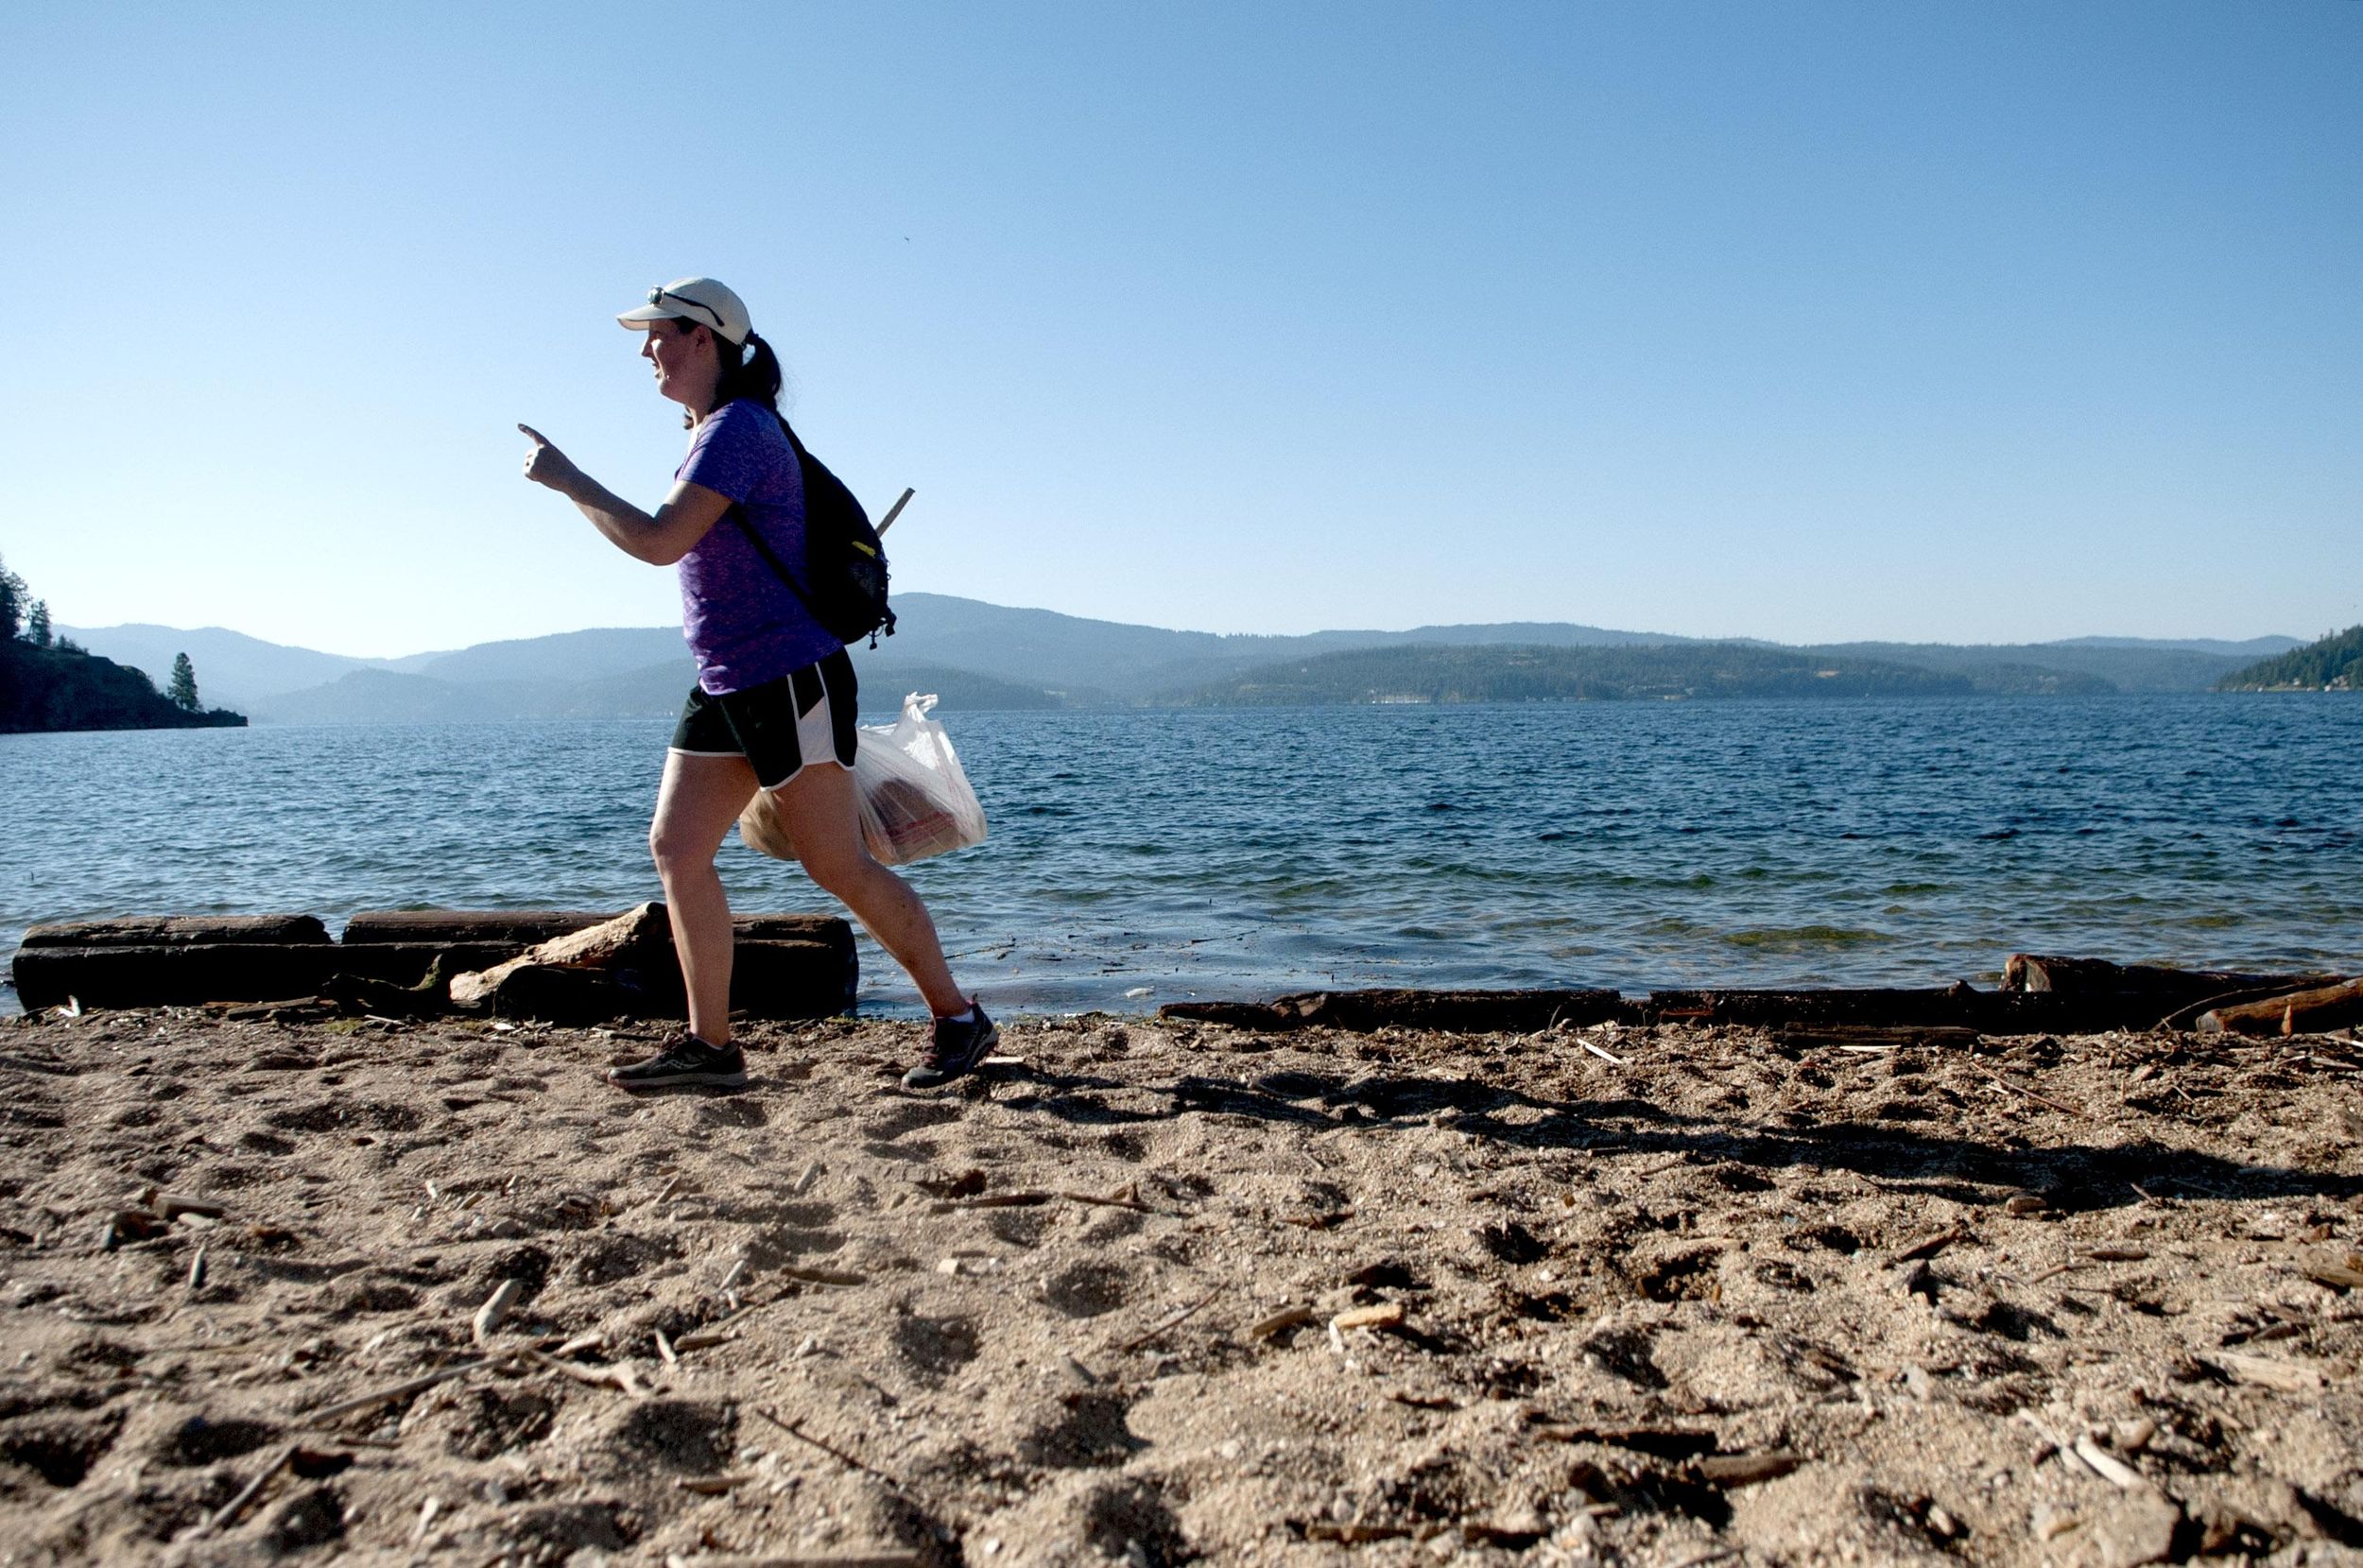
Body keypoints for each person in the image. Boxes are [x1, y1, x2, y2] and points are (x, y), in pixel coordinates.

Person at [518, 276, 992, 1093]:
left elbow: (662, 540)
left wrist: (569, 479)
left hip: (787, 677)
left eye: (658, 333)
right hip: (726, 684)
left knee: (838, 866)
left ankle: (958, 1019)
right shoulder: (715, 431)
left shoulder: (738, 429)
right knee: (676, 848)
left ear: (704, 338)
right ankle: (712, 1047)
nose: (646, 350)